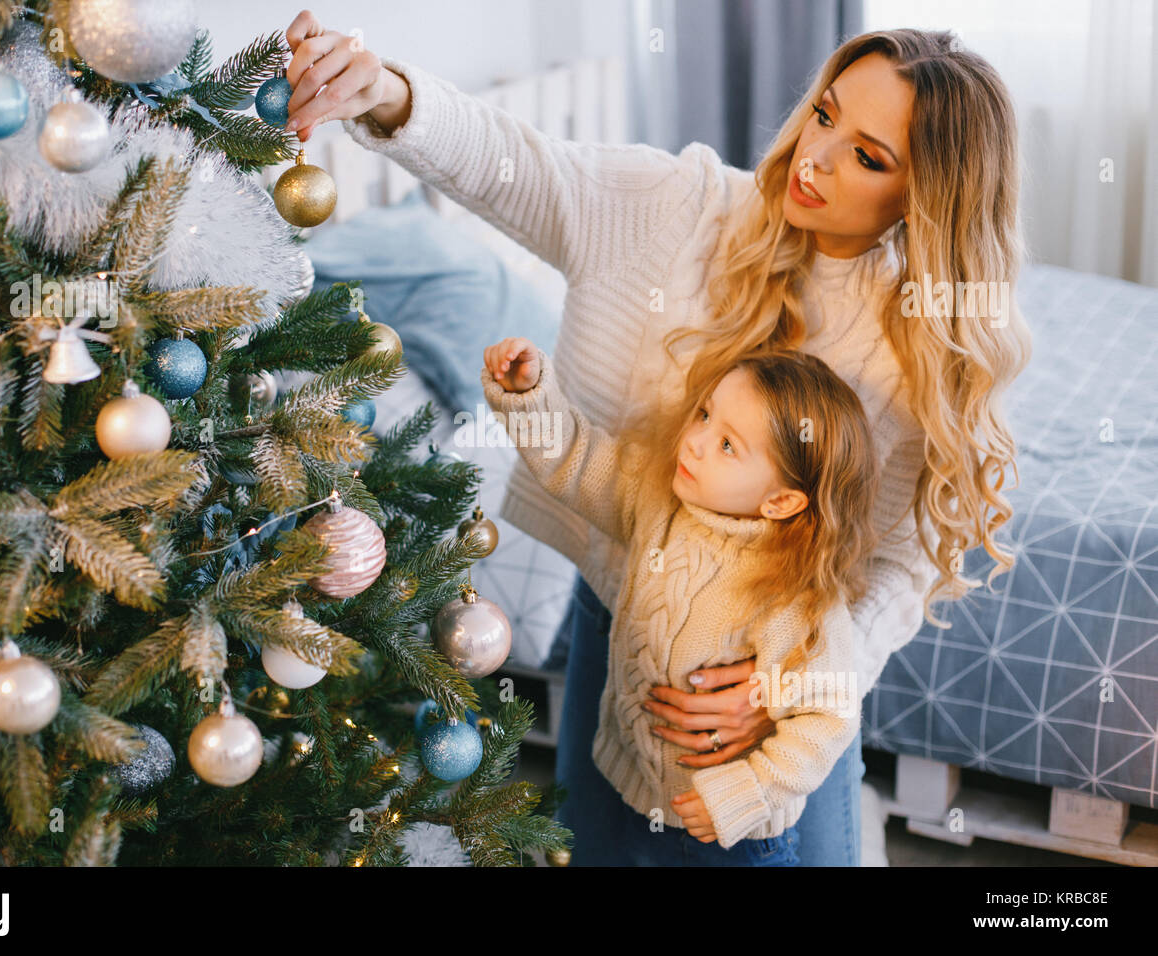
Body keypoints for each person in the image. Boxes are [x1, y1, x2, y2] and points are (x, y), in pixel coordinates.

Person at [279, 11, 1033, 864]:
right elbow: (516, 164)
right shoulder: (678, 208)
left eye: (868, 156)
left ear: (925, 194)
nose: (815, 159)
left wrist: (796, 686)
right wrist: (387, 94)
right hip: (620, 625)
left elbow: (899, 563)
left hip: (777, 708)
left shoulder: (915, 342)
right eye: (825, 113)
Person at [481, 334, 878, 865]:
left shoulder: (794, 595)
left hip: (734, 835)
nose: (694, 441)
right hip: (630, 789)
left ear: (781, 500)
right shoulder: (657, 496)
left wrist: (747, 793)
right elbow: (577, 460)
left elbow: (827, 718)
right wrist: (530, 397)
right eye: (705, 414)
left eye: (728, 445)